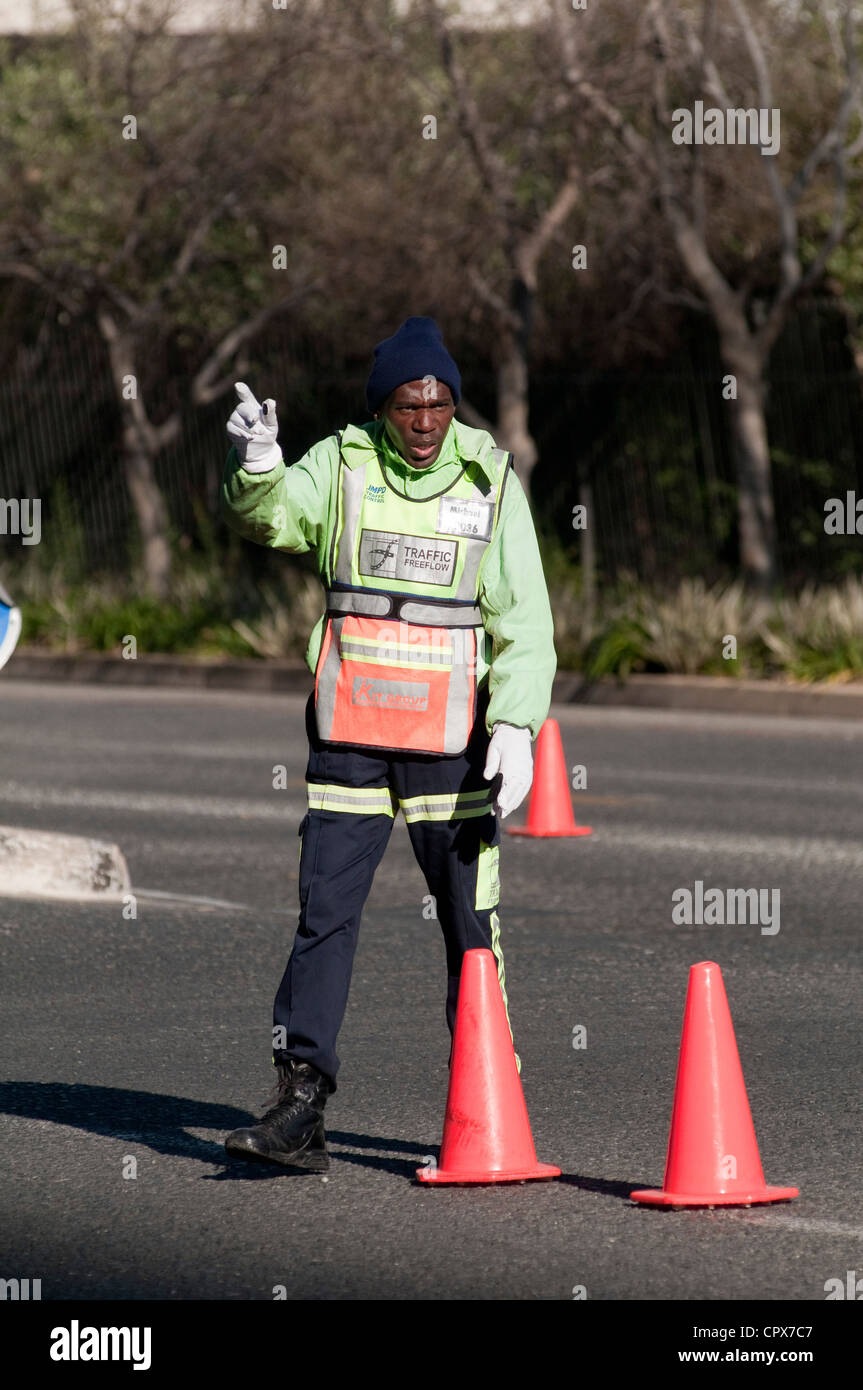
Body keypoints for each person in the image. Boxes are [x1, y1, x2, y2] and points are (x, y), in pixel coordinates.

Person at [219, 316, 556, 1171]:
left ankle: (490, 1101)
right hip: (350, 737)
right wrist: (259, 469)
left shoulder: (488, 477)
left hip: (452, 745)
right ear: (382, 407)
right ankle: (300, 1105)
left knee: (468, 924)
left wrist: (515, 722)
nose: (425, 421)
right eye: (409, 404)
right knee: (323, 919)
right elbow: (274, 522)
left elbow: (523, 617)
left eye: (440, 403)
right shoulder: (339, 464)